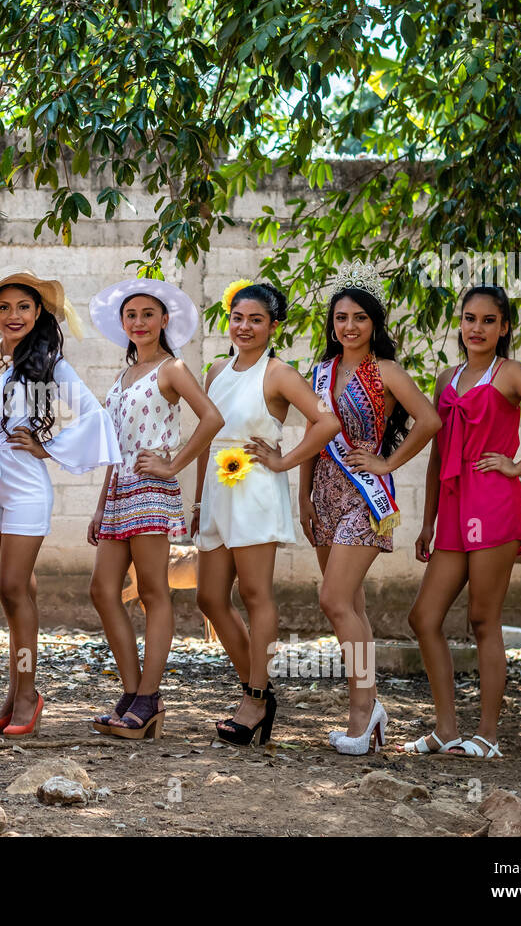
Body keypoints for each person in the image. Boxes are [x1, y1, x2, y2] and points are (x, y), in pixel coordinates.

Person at [0, 270, 119, 735]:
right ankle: (17, 689)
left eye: (23, 307)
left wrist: (48, 445)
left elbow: (93, 416)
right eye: (3, 308)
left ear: (38, 313)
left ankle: (26, 697)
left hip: (24, 484)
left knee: (13, 588)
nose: (13, 315)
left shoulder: (50, 364)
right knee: (14, 589)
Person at [407, 284, 521, 758]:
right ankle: (445, 729)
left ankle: (489, 735)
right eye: (469, 318)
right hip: (454, 508)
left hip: (493, 502)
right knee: (423, 617)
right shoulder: (445, 378)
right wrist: (428, 522)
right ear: (460, 323)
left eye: (488, 320)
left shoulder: (510, 374)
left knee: (483, 619)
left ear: (504, 328)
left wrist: (517, 466)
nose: (476, 328)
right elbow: (438, 455)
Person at [299, 264, 442, 754]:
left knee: (333, 600)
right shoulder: (318, 374)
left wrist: (386, 460)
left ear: (374, 324)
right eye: (341, 318)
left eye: (359, 318)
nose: (350, 326)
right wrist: (303, 497)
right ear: (331, 324)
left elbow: (429, 420)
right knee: (352, 605)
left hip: (364, 495)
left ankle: (365, 711)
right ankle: (366, 713)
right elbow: (310, 439)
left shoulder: (384, 372)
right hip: (324, 494)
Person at [194, 281, 341, 747]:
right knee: (210, 598)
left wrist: (283, 460)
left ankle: (255, 699)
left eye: (256, 319)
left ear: (274, 325)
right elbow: (204, 435)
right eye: (238, 318)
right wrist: (198, 501)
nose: (244, 326)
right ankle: (257, 689)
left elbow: (328, 421)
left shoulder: (280, 373)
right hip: (218, 487)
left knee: (256, 593)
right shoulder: (216, 369)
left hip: (255, 486)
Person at [87, 279, 224, 739]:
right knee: (103, 591)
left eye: (149, 314)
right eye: (132, 315)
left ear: (164, 320)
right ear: (122, 323)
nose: (139, 322)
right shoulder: (122, 376)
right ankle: (133, 694)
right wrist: (100, 503)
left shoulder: (173, 367)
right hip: (119, 492)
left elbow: (212, 417)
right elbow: (112, 445)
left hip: (150, 489)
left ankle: (147, 697)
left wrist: (174, 465)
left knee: (152, 592)